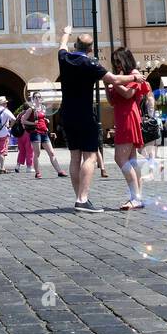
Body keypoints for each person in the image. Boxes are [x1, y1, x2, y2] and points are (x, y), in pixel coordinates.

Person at [57, 29, 143, 214]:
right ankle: (82, 199)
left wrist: (66, 32)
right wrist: (135, 77)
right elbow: (113, 79)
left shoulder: (64, 58)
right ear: (91, 49)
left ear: (75, 46)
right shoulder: (90, 63)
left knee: (74, 157)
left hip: (67, 114)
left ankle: (79, 197)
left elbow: (62, 44)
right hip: (84, 114)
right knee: (90, 156)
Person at [107, 47, 152, 211]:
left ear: (126, 59)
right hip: (121, 117)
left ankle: (135, 198)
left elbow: (128, 94)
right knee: (132, 160)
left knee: (120, 158)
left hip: (128, 116)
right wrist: (108, 86)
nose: (116, 64)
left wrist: (112, 81)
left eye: (118, 60)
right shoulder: (121, 77)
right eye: (114, 61)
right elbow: (112, 101)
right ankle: (137, 197)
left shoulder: (134, 73)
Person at [19, 96, 65, 180]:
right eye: (36, 97)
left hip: (44, 132)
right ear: (33, 99)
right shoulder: (31, 109)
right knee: (37, 153)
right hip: (35, 132)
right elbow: (23, 120)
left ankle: (59, 171)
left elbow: (41, 118)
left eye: (39, 97)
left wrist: (45, 120)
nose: (38, 99)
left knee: (51, 153)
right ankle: (37, 173)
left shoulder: (42, 108)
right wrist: (33, 123)